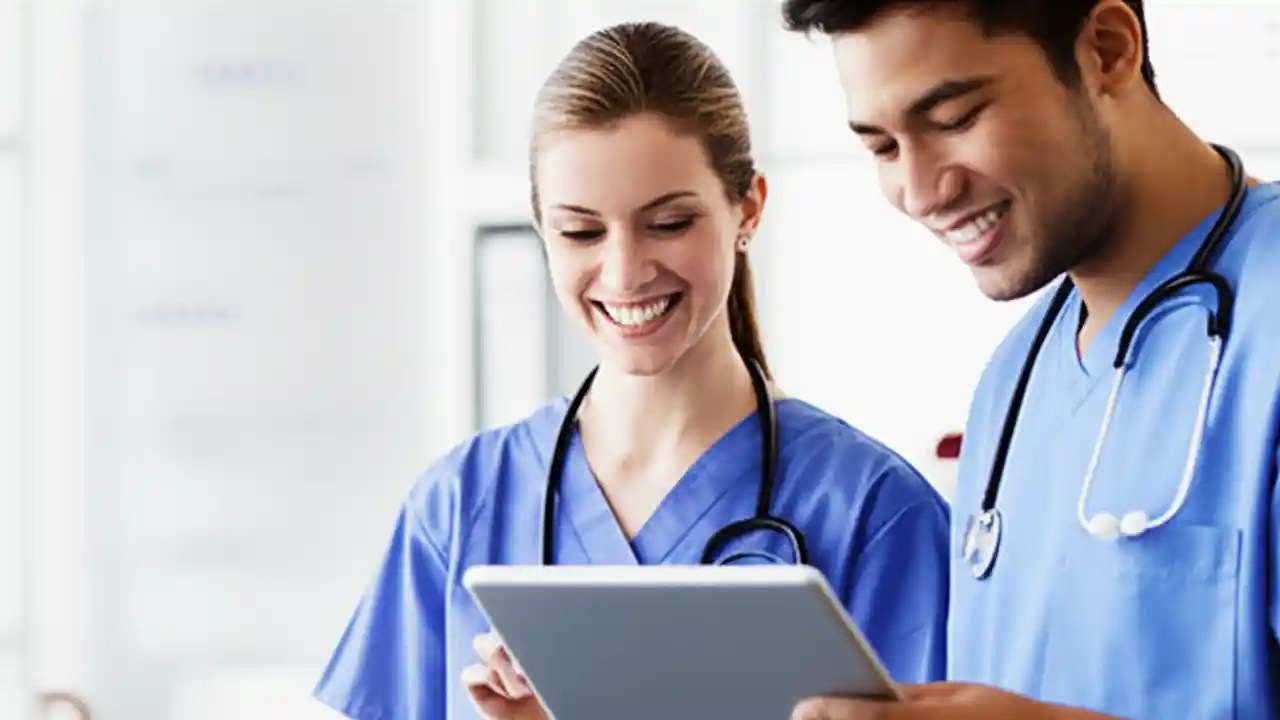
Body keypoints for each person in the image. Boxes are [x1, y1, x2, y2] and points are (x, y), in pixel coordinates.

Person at [312, 20, 951, 720]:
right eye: (581, 231)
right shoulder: (461, 506)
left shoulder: (875, 516)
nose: (625, 272)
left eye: (669, 223)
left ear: (748, 208)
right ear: (541, 228)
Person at [777, 1, 1280, 718]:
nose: (920, 193)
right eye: (883, 148)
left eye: (954, 118)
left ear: (1106, 50)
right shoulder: (1011, 386)